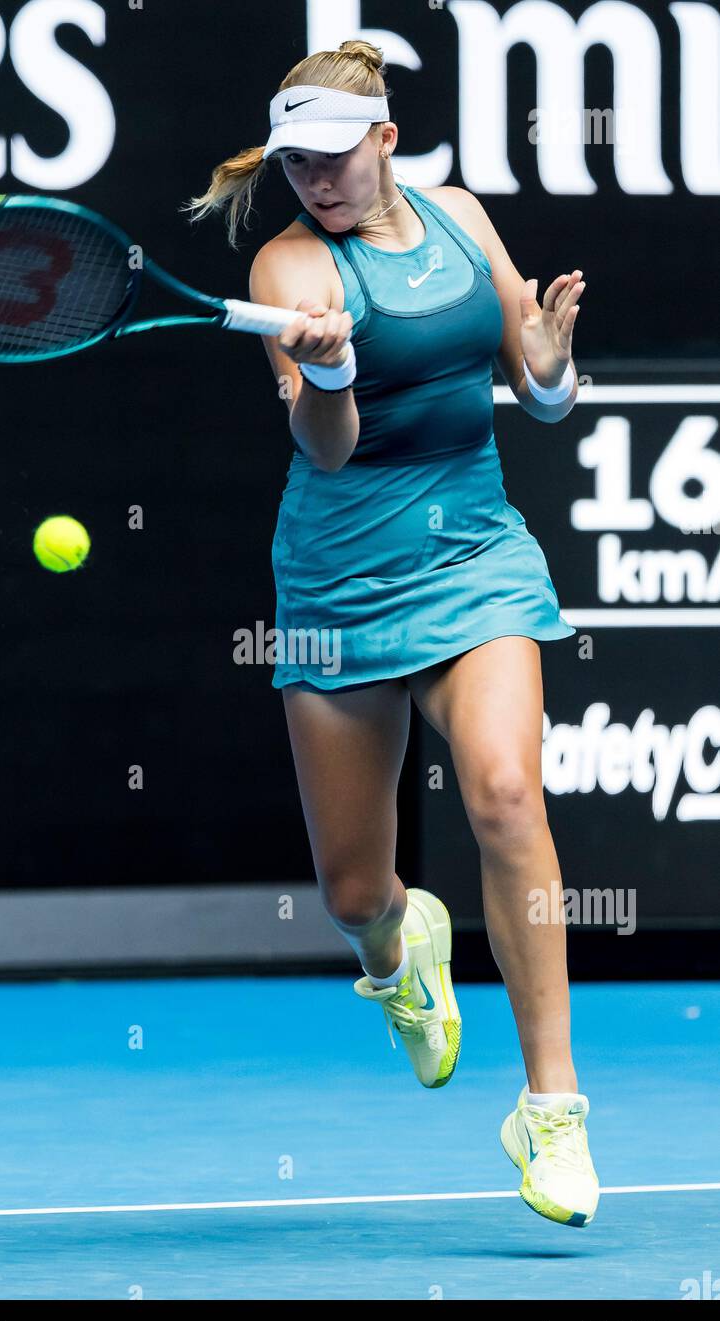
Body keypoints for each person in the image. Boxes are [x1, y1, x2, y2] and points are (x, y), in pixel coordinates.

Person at [183, 39, 599, 1227]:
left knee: (506, 794)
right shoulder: (289, 263)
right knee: (353, 886)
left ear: (384, 142)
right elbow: (328, 448)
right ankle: (395, 951)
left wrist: (554, 369)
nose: (312, 180)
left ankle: (551, 1104)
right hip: (338, 581)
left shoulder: (462, 218)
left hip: (474, 552)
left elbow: (534, 374)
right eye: (292, 163)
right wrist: (324, 371)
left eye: (330, 157)